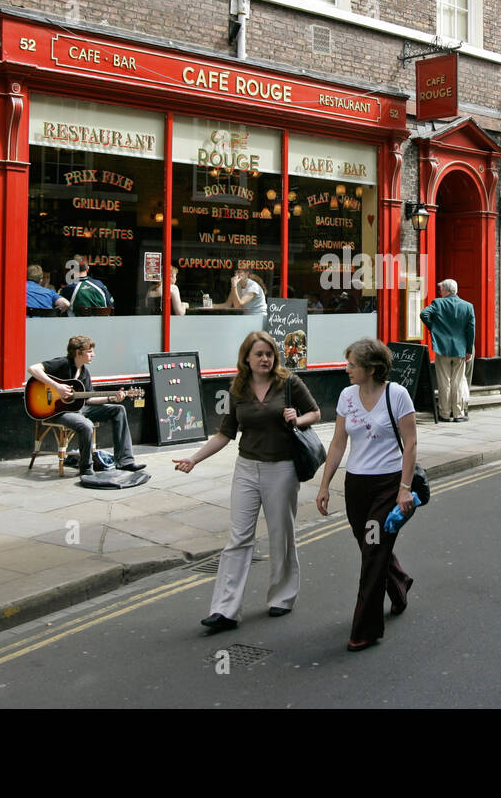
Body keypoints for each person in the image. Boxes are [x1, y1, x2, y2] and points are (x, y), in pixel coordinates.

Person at [174, 332, 320, 633]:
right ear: (247, 359)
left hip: (281, 468)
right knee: (238, 538)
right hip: (247, 469)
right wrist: (195, 459)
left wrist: (298, 418)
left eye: (269, 353)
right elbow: (225, 433)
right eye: (259, 354)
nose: (265, 358)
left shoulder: (288, 382)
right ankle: (224, 610)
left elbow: (315, 412)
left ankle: (282, 596)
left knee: (281, 534)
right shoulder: (236, 389)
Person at [315, 337, 416, 652]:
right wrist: (324, 484)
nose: (347, 370)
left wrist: (404, 488)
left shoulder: (397, 395)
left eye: (353, 365)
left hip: (388, 484)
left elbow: (411, 443)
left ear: (372, 368)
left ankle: (365, 629)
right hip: (357, 486)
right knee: (370, 546)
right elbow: (338, 443)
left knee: (373, 554)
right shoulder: (347, 396)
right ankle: (399, 583)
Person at [28, 335, 145, 478]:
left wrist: (111, 398)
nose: (93, 355)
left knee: (118, 410)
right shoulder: (62, 363)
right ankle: (86, 468)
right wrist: (57, 387)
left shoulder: (84, 372)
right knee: (86, 425)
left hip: (80, 409)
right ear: (78, 353)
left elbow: (88, 399)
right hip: (58, 411)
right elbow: (33, 368)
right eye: (89, 351)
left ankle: (125, 461)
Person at [419, 278, 475, 423]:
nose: (439, 292)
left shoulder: (438, 303)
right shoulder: (468, 306)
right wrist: (469, 350)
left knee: (444, 381)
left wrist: (435, 329)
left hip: (442, 347)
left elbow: (424, 314)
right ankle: (458, 413)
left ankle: (445, 413)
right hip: (460, 348)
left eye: (441, 289)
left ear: (445, 291)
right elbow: (471, 330)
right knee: (457, 381)